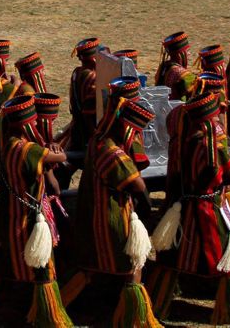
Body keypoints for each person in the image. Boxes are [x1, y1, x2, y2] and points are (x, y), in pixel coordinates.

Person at [0, 95, 72, 327]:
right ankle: (47, 316)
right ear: (29, 123)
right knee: (42, 269)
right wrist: (54, 149)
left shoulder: (7, 144)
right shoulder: (29, 150)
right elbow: (59, 170)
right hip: (27, 222)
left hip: (7, 218)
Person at [144, 92, 230, 326]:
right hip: (207, 210)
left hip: (182, 205)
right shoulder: (211, 145)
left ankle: (156, 307)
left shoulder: (182, 135)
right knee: (229, 263)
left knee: (171, 259)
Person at [61, 97, 159, 326]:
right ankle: (134, 318)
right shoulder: (111, 151)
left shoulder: (97, 140)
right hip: (111, 217)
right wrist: (146, 213)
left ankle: (61, 305)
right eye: (135, 131)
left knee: (91, 267)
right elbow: (139, 186)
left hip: (93, 213)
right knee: (134, 265)